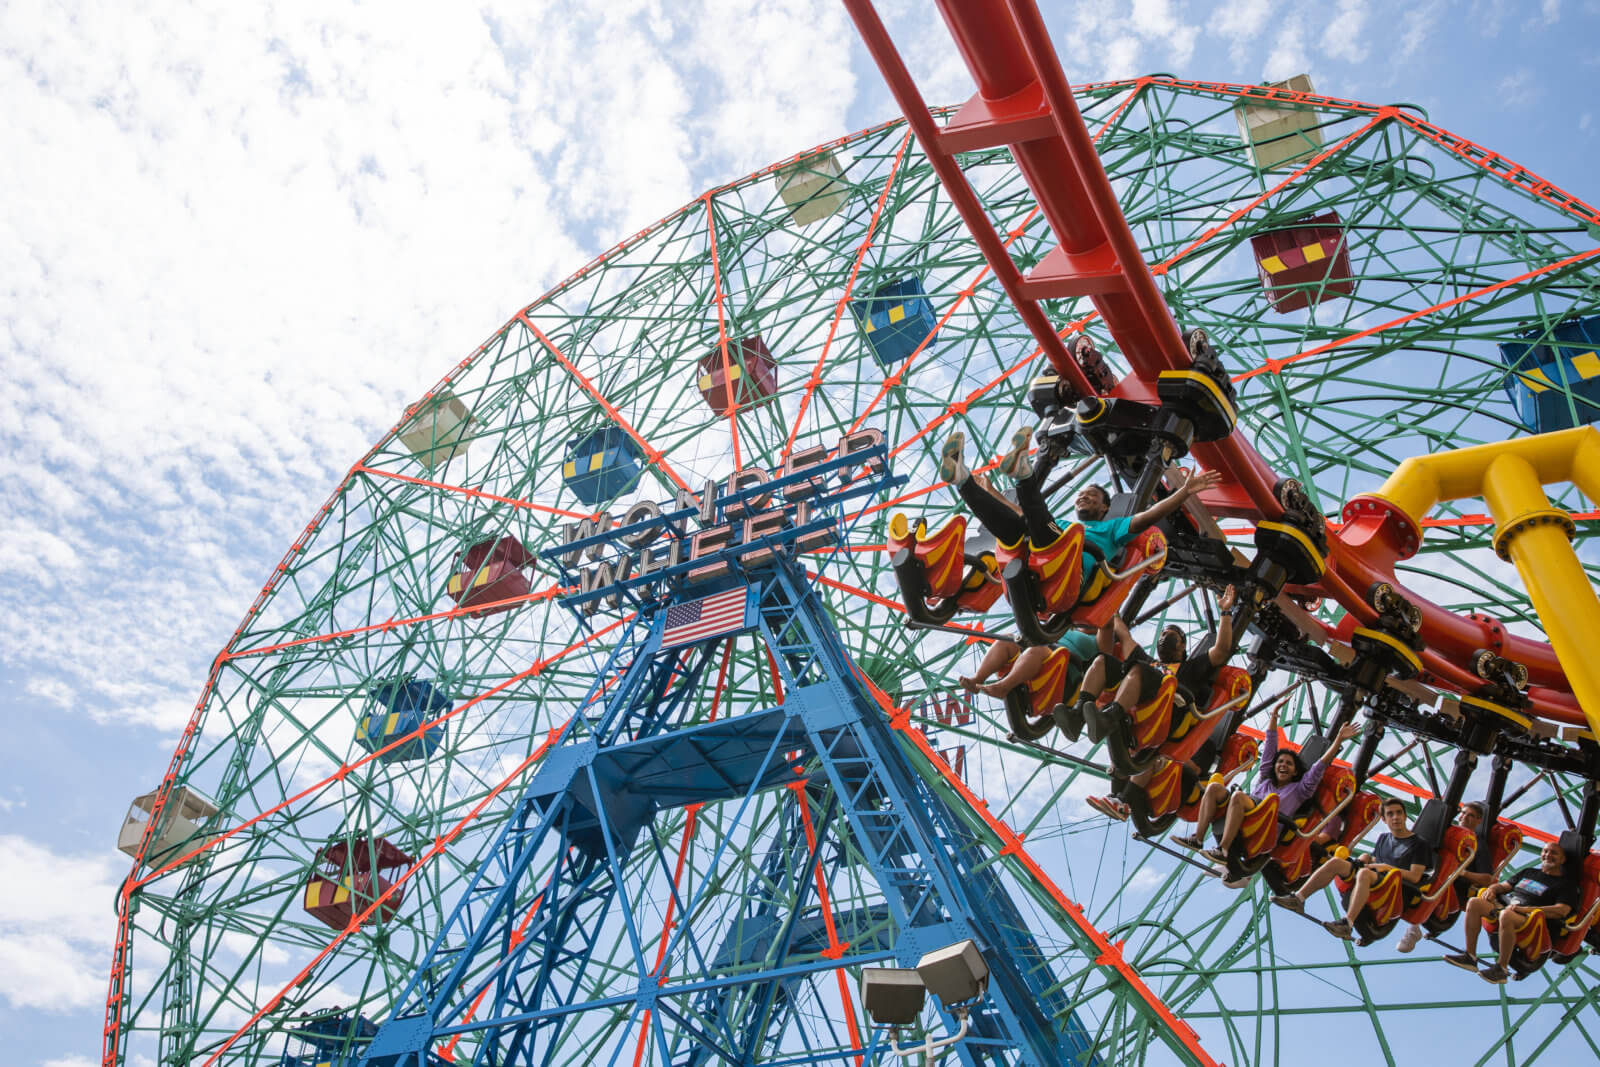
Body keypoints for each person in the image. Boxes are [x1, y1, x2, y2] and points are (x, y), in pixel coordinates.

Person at [939, 428, 1220, 570]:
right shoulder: (1062, 524)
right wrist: (990, 491)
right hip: (1041, 553)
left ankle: (1023, 474)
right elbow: (1022, 513)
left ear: (1105, 507)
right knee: (1015, 528)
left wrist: (1184, 492)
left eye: (1092, 495)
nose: (1084, 496)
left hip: (1069, 566)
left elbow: (1148, 517)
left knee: (1037, 524)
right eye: (1082, 494)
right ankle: (962, 480)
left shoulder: (1112, 529)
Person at [1172, 709, 1358, 863]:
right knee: (1214, 787)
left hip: (1265, 825)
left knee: (1239, 797)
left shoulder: (1300, 790)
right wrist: (1274, 717)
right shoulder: (1265, 780)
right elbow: (1269, 747)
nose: (1283, 765)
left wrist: (1338, 740)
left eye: (1289, 764)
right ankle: (1197, 838)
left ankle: (1223, 849)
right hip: (1245, 811)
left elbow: (1319, 766)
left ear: (1295, 772)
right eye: (1280, 762)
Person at [1080, 585, 1239, 751]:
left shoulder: (1190, 668)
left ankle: (1110, 717)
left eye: (1171, 635)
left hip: (1165, 716)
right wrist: (1114, 602)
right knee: (1103, 661)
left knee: (1140, 670)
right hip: (1138, 707)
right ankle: (1079, 711)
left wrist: (1225, 612)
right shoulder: (1147, 662)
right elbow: (1124, 635)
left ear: (1183, 645)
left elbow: (1221, 650)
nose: (1164, 637)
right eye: (1163, 634)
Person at [1273, 796, 1433, 941]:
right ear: (1384, 819)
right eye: (1390, 814)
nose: (1395, 817)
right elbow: (1375, 860)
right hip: (1375, 877)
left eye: (1399, 813)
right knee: (1336, 862)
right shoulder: (1384, 838)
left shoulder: (1419, 843)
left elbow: (1415, 876)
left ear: (1405, 816)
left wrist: (1386, 867)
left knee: (1364, 873)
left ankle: (1347, 924)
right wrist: (1365, 858)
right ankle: (1298, 899)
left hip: (1395, 887)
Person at [1443, 838, 1579, 983]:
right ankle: (1470, 956)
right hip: (1508, 907)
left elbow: (1562, 910)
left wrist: (1526, 909)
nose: (1548, 855)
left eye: (1554, 853)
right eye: (1545, 851)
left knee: (1507, 915)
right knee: (1474, 903)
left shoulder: (1566, 885)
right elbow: (1504, 886)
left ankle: (1501, 969)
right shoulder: (1529, 872)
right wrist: (1492, 889)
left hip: (1532, 921)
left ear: (1563, 860)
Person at [1395, 801, 1496, 953]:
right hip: (1430, 873)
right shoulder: (1446, 832)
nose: (1464, 817)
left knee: (1443, 873)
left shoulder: (1479, 845)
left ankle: (1413, 927)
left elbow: (1487, 879)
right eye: (1463, 813)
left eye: (1470, 815)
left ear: (1478, 821)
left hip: (1455, 887)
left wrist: (1462, 872)